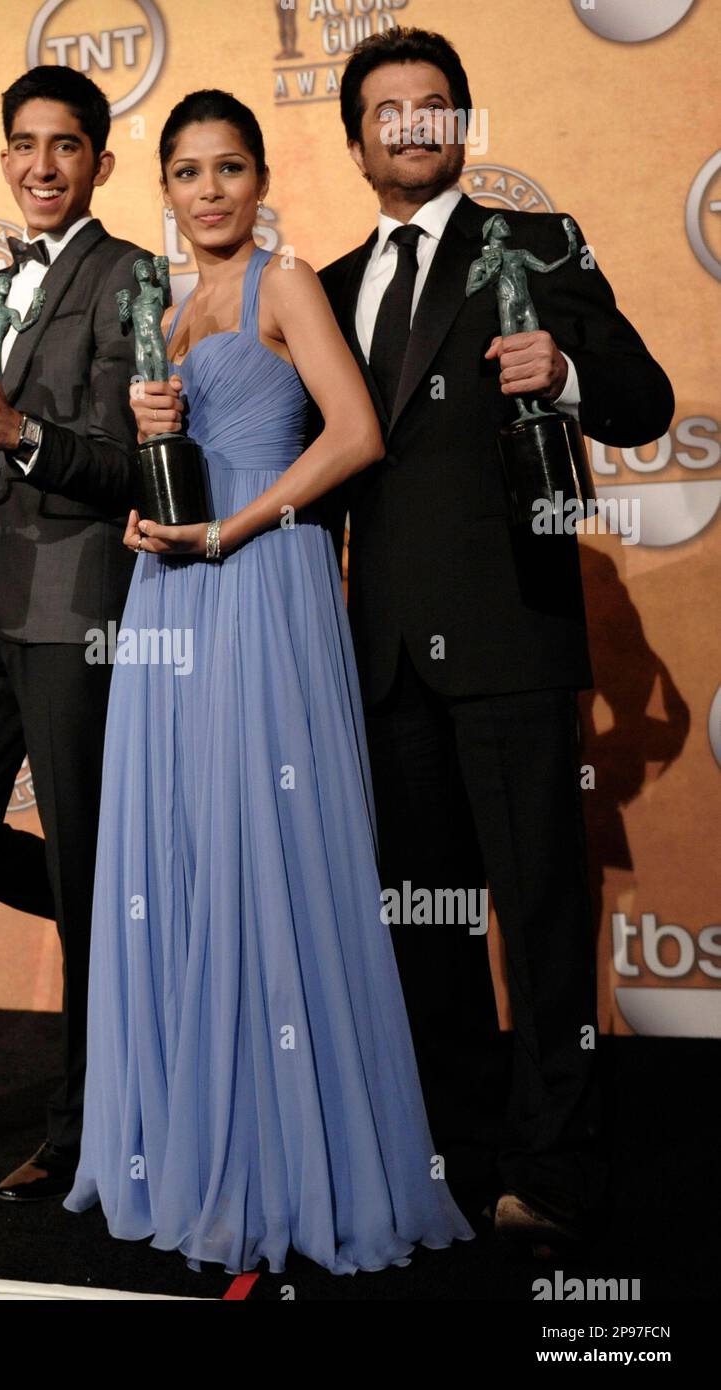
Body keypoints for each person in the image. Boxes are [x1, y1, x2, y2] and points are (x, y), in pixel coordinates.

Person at [63, 89, 474, 1276]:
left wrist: (230, 529)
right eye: (186, 172)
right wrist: (154, 475)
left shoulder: (281, 282)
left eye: (229, 167)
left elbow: (352, 436)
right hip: (171, 588)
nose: (208, 191)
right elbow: (157, 465)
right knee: (177, 856)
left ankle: (282, 1159)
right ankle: (185, 1148)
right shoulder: (165, 308)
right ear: (164, 189)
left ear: (259, 177)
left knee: (261, 854)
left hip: (256, 577)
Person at [317, 27, 675, 1254]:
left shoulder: (536, 238)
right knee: (421, 924)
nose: (408, 127)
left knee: (538, 916)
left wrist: (565, 368)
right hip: (379, 662)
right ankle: (453, 1154)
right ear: (355, 137)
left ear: (459, 125)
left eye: (431, 107)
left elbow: (643, 398)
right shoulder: (324, 281)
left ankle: (552, 1164)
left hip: (511, 642)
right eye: (386, 110)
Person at [0, 66, 157, 1201]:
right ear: (3, 157)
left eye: (65, 146)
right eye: (22, 144)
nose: (41, 165)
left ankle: (82, 1131)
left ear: (100, 163)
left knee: (86, 851)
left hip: (75, 611)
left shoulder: (128, 280)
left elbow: (124, 463)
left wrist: (21, 435)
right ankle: (124, 905)